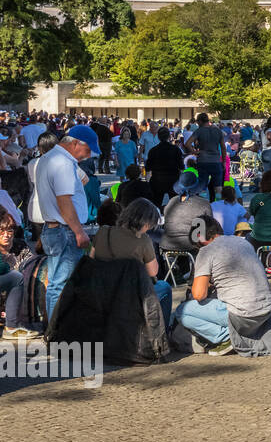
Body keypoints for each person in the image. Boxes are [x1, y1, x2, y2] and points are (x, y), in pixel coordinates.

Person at [173, 215, 271, 356]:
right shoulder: (243, 243)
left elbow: (198, 294)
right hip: (265, 311)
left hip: (242, 315)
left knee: (182, 310)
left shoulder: (206, 251)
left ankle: (226, 337)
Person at [35, 125, 99, 326]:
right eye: (87, 151)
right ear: (74, 144)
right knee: (61, 284)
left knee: (56, 283)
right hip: (65, 230)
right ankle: (58, 330)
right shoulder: (62, 163)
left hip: (55, 228)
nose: (88, 157)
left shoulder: (49, 158)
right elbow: (65, 202)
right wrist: (79, 232)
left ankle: (54, 328)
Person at [92, 197, 175, 326]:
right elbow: (153, 272)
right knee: (164, 287)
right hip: (129, 296)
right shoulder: (143, 241)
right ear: (145, 223)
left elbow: (91, 261)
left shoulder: (103, 232)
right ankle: (161, 334)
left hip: (102, 292)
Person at [184, 113, 227, 202]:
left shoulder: (199, 131)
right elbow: (223, 147)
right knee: (218, 187)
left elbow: (187, 143)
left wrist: (194, 152)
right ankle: (219, 207)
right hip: (216, 161)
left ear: (200, 121)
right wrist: (223, 161)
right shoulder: (218, 131)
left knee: (203, 187)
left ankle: (203, 206)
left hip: (203, 161)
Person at [146, 127, 184, 207]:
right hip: (173, 180)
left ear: (158, 137)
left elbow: (148, 168)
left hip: (157, 180)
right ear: (169, 137)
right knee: (175, 206)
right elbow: (181, 167)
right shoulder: (176, 149)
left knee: (156, 205)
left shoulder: (153, 150)